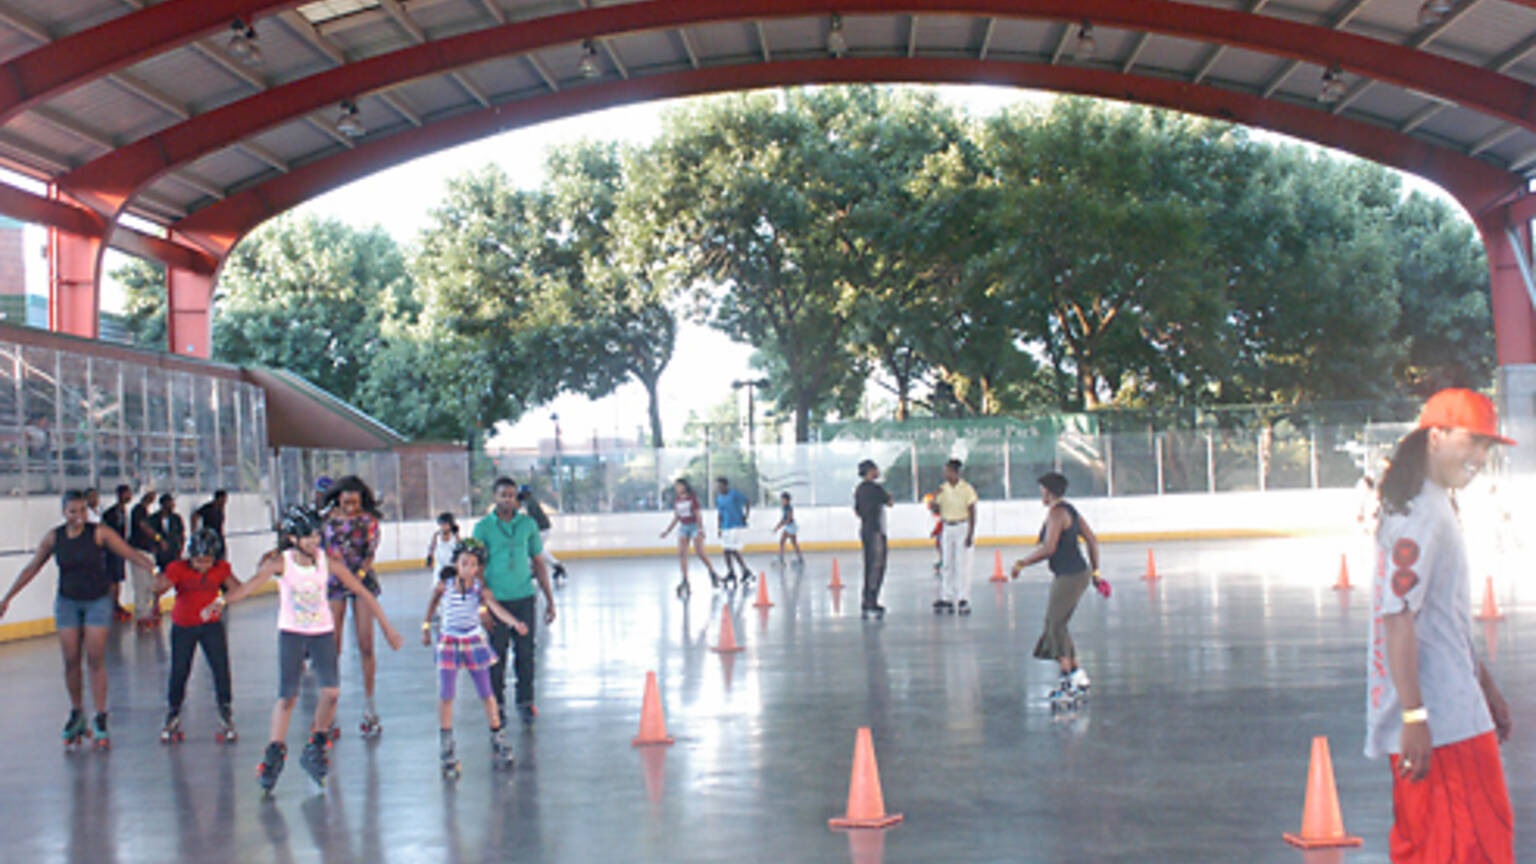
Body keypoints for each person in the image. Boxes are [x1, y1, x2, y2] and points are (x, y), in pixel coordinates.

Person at [1366, 388, 1514, 862]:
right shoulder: (1423, 514)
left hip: (1451, 708)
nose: (1480, 456)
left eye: (1487, 446)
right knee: (1467, 843)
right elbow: (1398, 619)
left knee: (1442, 839)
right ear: (1436, 436)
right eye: (1472, 441)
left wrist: (1483, 686)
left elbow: (1438, 616)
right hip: (1443, 722)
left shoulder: (1427, 505)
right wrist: (1414, 716)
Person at [221, 505, 403, 794]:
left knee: (331, 692)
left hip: (321, 632)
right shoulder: (281, 563)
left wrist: (387, 627)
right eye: (307, 537)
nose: (314, 541)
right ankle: (273, 755)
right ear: (293, 538)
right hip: (292, 634)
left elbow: (363, 591)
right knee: (288, 698)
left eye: (317, 535)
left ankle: (316, 744)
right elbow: (249, 587)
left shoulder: (327, 562)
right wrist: (220, 603)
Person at [0, 490, 155, 749]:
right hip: (67, 602)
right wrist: (8, 597)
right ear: (63, 512)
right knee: (71, 659)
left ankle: (101, 715)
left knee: (95, 658)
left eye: (82, 510)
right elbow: (33, 567)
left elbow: (128, 552)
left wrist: (157, 570)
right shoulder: (55, 537)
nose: (78, 516)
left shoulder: (99, 533)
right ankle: (76, 712)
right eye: (73, 511)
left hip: (97, 601)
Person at [421, 539, 526, 778]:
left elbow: (495, 608)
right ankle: (447, 745)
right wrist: (426, 626)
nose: (469, 569)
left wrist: (514, 623)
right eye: (464, 563)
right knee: (447, 694)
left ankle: (498, 736)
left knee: (486, 693)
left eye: (474, 565)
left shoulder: (480, 590)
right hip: (449, 642)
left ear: (479, 568)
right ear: (456, 565)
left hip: (473, 642)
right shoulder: (444, 586)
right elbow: (432, 604)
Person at [1010, 472, 1102, 706]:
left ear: (1049, 491)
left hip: (1070, 575)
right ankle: (1076, 675)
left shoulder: (1057, 513)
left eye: (1042, 489)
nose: (1040, 494)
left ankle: (1068, 680)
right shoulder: (1069, 510)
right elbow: (1091, 539)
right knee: (1056, 624)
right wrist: (1095, 571)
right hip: (1075, 574)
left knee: (1055, 625)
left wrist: (1022, 563)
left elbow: (1049, 547)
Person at [473, 477, 556, 728]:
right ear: (494, 497)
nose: (507, 499)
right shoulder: (483, 528)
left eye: (511, 495)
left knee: (526, 652)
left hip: (524, 598)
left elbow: (538, 562)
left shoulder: (527, 525)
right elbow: (476, 566)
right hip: (496, 600)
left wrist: (550, 599)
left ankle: (525, 700)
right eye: (502, 495)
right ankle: (496, 702)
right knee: (496, 654)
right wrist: (482, 604)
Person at [151, 528, 241, 744]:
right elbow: (158, 588)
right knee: (180, 669)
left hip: (211, 626)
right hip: (184, 626)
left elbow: (237, 589)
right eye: (199, 561)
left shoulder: (221, 570)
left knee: (220, 668)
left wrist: (220, 601)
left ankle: (225, 711)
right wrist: (161, 579)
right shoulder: (178, 569)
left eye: (208, 561)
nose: (203, 566)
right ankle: (173, 712)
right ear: (190, 557)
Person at [320, 475, 385, 737]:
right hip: (335, 581)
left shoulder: (369, 522)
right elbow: (322, 549)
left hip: (361, 580)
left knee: (365, 644)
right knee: (332, 646)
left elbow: (370, 554)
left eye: (354, 502)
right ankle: (330, 709)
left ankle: (369, 705)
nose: (349, 507)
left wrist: (358, 577)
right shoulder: (327, 522)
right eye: (345, 501)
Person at [933, 459, 979, 615]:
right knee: (947, 563)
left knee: (962, 564)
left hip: (962, 526)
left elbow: (972, 510)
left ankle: (963, 598)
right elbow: (935, 509)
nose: (945, 474)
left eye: (948, 471)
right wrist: (934, 497)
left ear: (955, 472)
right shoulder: (943, 489)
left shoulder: (966, 489)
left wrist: (970, 533)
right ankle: (947, 597)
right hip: (947, 527)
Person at [660, 478, 720, 597]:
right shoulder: (677, 500)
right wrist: (667, 531)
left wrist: (701, 528)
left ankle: (712, 572)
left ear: (684, 487)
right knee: (682, 553)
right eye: (676, 487)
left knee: (700, 552)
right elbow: (677, 517)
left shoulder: (692, 499)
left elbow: (698, 514)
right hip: (684, 527)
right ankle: (685, 579)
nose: (677, 489)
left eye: (679, 486)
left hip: (694, 526)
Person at [853, 460, 893, 619]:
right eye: (875, 469)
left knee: (868, 565)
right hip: (876, 530)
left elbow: (857, 511)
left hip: (865, 529)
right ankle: (872, 600)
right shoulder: (876, 489)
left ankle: (866, 600)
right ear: (870, 471)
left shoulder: (859, 490)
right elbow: (889, 502)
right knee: (877, 566)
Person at [518, 486, 568, 584]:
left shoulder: (530, 503)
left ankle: (553, 566)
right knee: (536, 550)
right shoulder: (530, 501)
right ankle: (554, 566)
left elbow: (531, 518)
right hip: (543, 528)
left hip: (542, 529)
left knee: (536, 550)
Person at [128, 488, 162, 630]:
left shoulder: (146, 512)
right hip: (139, 552)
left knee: (150, 583)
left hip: (147, 552)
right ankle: (142, 614)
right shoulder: (138, 510)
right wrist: (158, 538)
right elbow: (143, 527)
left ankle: (149, 611)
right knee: (141, 584)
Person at [101, 484, 133, 622]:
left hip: (120, 550)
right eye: (126, 494)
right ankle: (111, 604)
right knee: (112, 579)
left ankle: (116, 603)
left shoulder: (124, 511)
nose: (129, 497)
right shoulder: (111, 513)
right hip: (111, 551)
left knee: (118, 578)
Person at [714, 477, 754, 588]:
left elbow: (747, 501)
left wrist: (746, 516)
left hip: (736, 525)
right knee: (726, 551)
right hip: (726, 526)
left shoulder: (734, 494)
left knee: (731, 549)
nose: (718, 488)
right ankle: (733, 571)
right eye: (717, 486)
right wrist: (719, 528)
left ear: (725, 485)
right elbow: (720, 514)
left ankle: (743, 571)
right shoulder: (719, 499)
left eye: (720, 485)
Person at [153, 493, 186, 571]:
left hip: (174, 551)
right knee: (159, 573)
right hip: (159, 554)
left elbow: (181, 534)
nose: (172, 506)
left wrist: (181, 548)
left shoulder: (176, 518)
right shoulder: (154, 518)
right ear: (163, 504)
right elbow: (152, 535)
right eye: (170, 504)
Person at [425, 512, 459, 583]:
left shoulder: (455, 536)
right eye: (441, 524)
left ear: (451, 524)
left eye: (445, 524)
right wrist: (429, 558)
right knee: (438, 585)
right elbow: (432, 547)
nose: (443, 526)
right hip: (440, 565)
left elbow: (460, 549)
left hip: (452, 566)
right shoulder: (437, 535)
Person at [772, 491, 803, 565]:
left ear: (787, 500)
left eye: (783, 500)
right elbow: (783, 518)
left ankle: (781, 558)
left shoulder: (789, 508)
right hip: (788, 526)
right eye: (781, 500)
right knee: (793, 542)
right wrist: (778, 526)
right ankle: (799, 558)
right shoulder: (784, 508)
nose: (782, 501)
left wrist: (779, 526)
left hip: (790, 526)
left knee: (783, 541)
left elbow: (788, 519)